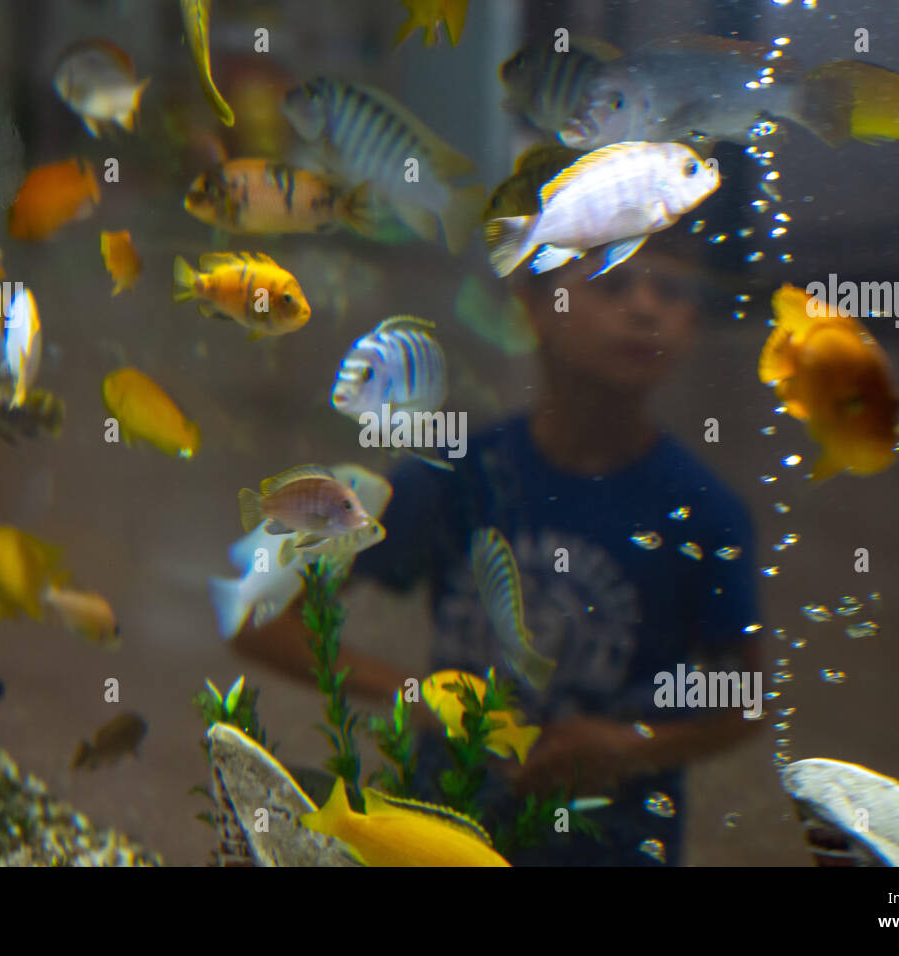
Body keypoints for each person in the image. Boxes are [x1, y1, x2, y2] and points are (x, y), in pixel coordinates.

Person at [233, 246, 764, 865]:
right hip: (446, 838)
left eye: (671, 290)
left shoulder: (705, 514)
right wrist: (422, 696)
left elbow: (742, 700)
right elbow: (262, 619)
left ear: (694, 324)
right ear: (533, 305)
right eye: (612, 282)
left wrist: (631, 745)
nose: (644, 308)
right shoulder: (457, 475)